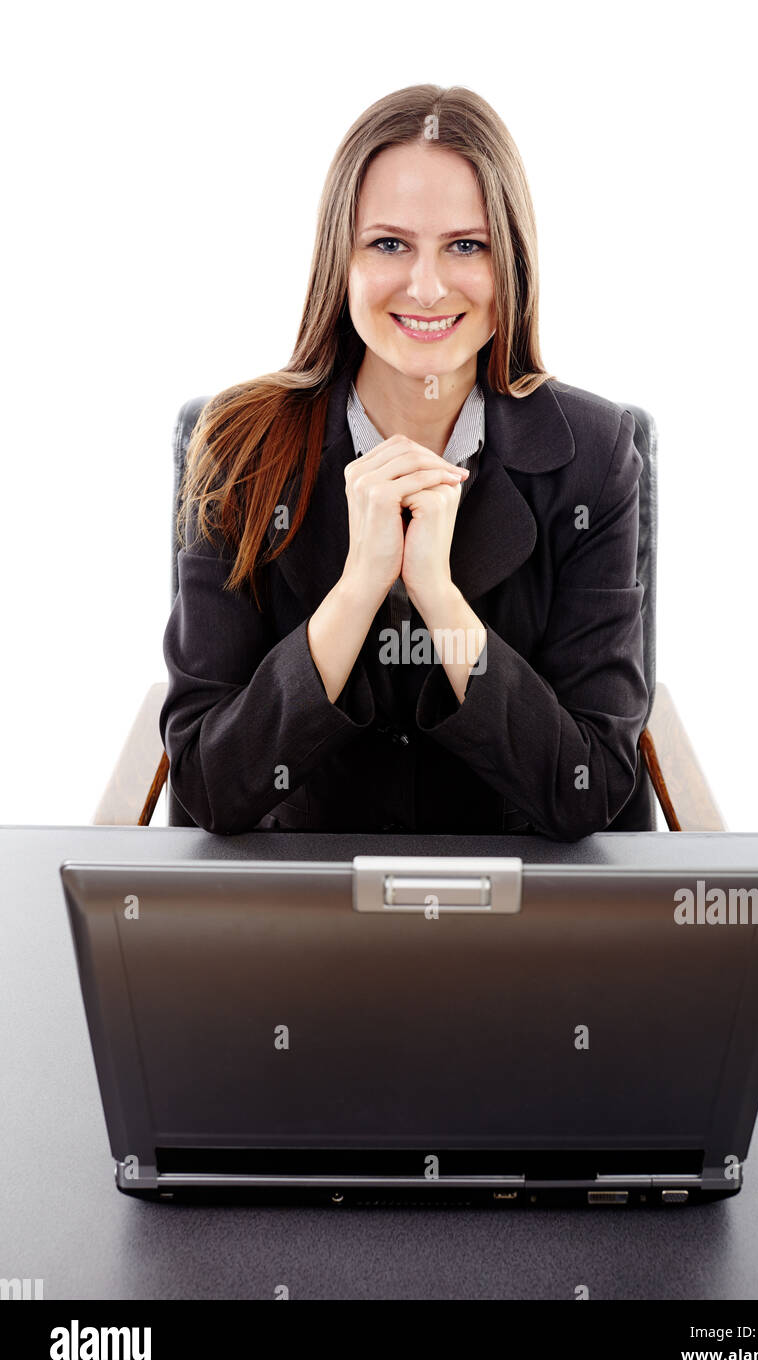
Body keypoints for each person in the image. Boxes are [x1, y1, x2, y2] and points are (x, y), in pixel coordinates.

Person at [159, 84, 650, 839]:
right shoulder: (236, 448)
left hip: (521, 916)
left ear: (509, 261)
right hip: (294, 917)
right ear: (341, 260)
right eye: (389, 244)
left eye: (466, 245)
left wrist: (439, 600)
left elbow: (586, 790)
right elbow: (210, 786)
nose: (427, 286)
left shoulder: (593, 457)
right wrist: (358, 590)